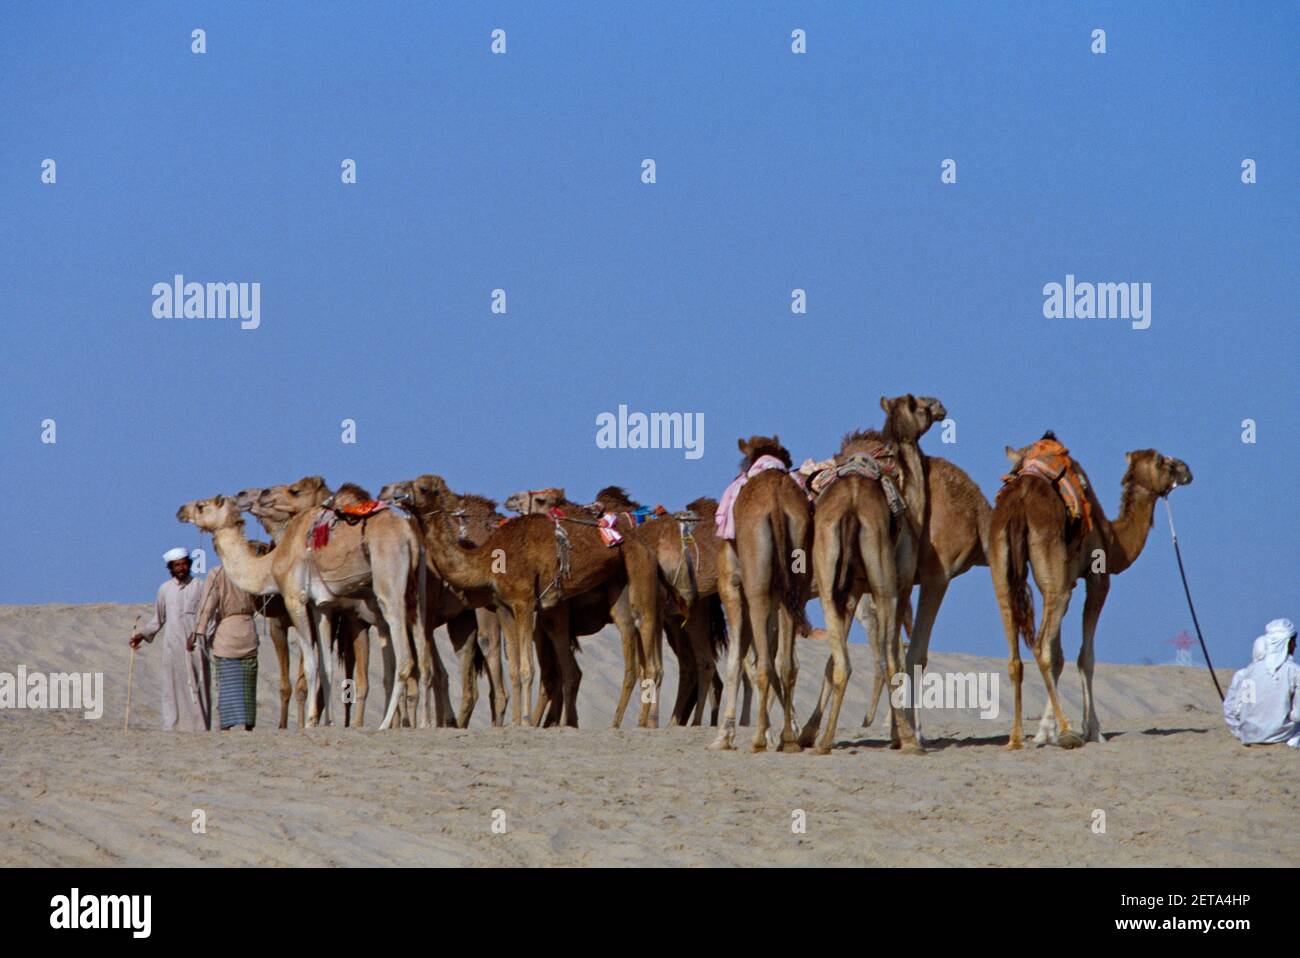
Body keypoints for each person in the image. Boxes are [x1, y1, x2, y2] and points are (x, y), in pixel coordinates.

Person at [129, 548, 210, 731]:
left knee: (198, 686)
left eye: (184, 564)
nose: (181, 568)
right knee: (173, 688)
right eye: (177, 565)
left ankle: (201, 727)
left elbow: (207, 614)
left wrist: (199, 636)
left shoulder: (199, 585)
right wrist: (142, 634)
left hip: (196, 646)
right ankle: (174, 727)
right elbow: (158, 619)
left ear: (189, 564)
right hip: (173, 646)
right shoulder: (165, 589)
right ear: (171, 568)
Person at [195, 563, 261, 731]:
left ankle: (227, 726)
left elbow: (208, 605)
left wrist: (198, 630)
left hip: (227, 635)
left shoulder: (216, 574)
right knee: (248, 686)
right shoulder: (252, 571)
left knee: (227, 687)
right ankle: (247, 726)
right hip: (248, 631)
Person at [1223, 618, 1299, 748]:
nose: (1295, 646)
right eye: (1293, 642)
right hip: (1282, 736)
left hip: (1249, 736)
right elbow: (1297, 715)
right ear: (1287, 643)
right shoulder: (1295, 672)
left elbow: (1236, 710)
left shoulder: (1249, 671)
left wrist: (1239, 731)